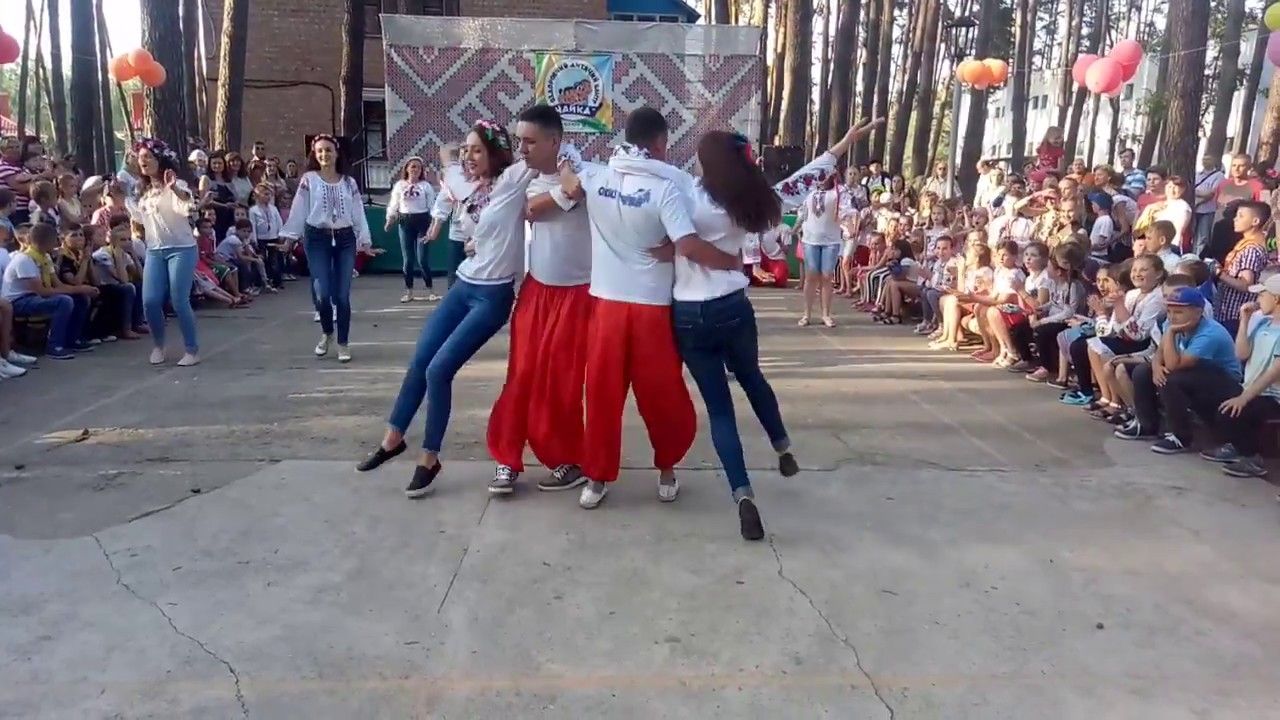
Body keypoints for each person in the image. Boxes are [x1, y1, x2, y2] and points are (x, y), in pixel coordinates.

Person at [356, 118, 541, 498]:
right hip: (463, 284)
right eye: (466, 150)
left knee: (439, 370)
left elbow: (546, 151)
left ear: (494, 153)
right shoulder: (465, 182)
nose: (468, 157)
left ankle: (429, 458)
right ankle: (393, 438)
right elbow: (447, 158)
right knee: (420, 361)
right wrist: (477, 242)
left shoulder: (512, 180)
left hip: (492, 296)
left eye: (477, 150)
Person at [557, 107, 730, 510]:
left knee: (601, 394)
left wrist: (565, 166)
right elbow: (689, 244)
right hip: (652, 306)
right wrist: (730, 261)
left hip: (606, 304)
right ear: (660, 142)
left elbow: (568, 183)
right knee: (661, 393)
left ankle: (597, 477)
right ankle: (666, 470)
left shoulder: (596, 177)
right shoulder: (669, 187)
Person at [485, 105, 594, 495]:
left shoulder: (585, 174)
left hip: (578, 295)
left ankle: (567, 459)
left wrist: (567, 168)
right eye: (520, 141)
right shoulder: (523, 179)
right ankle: (507, 458)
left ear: (554, 141)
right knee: (521, 375)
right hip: (537, 291)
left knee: (562, 384)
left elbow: (575, 190)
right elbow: (531, 208)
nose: (522, 149)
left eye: (530, 141)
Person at [282, 134, 372, 363]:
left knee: (342, 296)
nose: (324, 154)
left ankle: (343, 342)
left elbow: (358, 211)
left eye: (328, 150)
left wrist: (364, 239)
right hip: (317, 238)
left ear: (337, 153)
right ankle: (327, 332)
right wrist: (290, 237)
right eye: (320, 151)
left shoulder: (349, 182)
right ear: (315, 154)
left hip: (345, 239)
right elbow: (299, 209)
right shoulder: (309, 180)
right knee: (322, 293)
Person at [1122, 285, 1241, 453]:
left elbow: (1173, 366)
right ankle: (1146, 424)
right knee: (1142, 371)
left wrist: (1171, 333)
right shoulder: (1170, 323)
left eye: (1178, 312)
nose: (1172, 316)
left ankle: (1181, 437)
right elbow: (1160, 353)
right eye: (1169, 311)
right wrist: (1156, 367)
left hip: (1224, 381)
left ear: (1198, 312)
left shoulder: (1210, 333)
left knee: (1171, 379)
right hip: (1194, 373)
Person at [127, 137, 201, 367]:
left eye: (149, 157)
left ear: (161, 160)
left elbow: (188, 208)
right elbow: (142, 218)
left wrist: (175, 189)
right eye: (141, 158)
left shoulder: (177, 184)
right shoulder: (142, 190)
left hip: (182, 249)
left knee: (179, 300)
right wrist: (121, 200)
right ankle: (159, 345)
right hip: (155, 251)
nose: (144, 161)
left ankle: (191, 349)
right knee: (150, 301)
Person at [1203, 273, 1280, 478]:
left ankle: (1252, 457)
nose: (1257, 299)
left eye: (1262, 295)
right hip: (1250, 387)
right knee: (1214, 396)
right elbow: (1241, 354)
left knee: (1235, 411)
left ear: (1276, 298)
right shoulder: (1263, 323)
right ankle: (1235, 445)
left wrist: (1244, 398)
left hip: (1273, 395)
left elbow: (1274, 372)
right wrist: (1244, 321)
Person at [1, 222, 96, 359]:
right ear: (48, 242)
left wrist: (81, 290)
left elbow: (58, 285)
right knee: (63, 301)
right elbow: (42, 292)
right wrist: (78, 288)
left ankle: (72, 340)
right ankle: (54, 346)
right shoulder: (25, 260)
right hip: (18, 301)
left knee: (80, 298)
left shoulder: (45, 257)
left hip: (34, 297)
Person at [385, 156, 439, 303]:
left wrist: (433, 224)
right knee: (408, 259)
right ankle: (409, 291)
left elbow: (432, 206)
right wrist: (390, 218)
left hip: (422, 222)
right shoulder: (400, 185)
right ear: (407, 168)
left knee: (422, 259)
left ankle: (431, 290)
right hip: (405, 222)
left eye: (418, 167)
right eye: (413, 166)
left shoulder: (426, 186)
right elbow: (394, 204)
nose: (415, 169)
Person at [798, 173, 850, 327]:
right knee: (811, 275)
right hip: (811, 238)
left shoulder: (839, 191)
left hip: (831, 240)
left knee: (827, 276)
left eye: (826, 173)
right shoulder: (809, 189)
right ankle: (806, 314)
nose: (823, 176)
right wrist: (796, 227)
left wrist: (848, 224)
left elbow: (847, 210)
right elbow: (803, 211)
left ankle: (826, 314)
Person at [1215, 201, 1270, 337]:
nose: (1235, 219)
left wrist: (1220, 274)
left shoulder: (1251, 249)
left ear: (1255, 221)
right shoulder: (1244, 243)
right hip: (1227, 313)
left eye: (1241, 216)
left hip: (1234, 315)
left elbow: (1246, 285)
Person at [427, 142, 475, 288]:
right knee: (461, 272)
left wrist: (435, 228)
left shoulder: (454, 174)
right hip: (465, 231)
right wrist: (435, 225)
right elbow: (444, 200)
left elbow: (443, 202)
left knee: (463, 273)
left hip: (468, 232)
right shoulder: (461, 174)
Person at [1192, 153, 1225, 253]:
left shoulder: (1219, 176)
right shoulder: (1197, 174)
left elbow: (1211, 193)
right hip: (1194, 209)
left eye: (1208, 159)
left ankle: (1199, 255)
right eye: (1204, 159)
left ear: (1214, 161)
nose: (1205, 161)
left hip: (1207, 210)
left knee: (1203, 236)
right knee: (1192, 235)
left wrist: (1197, 195)